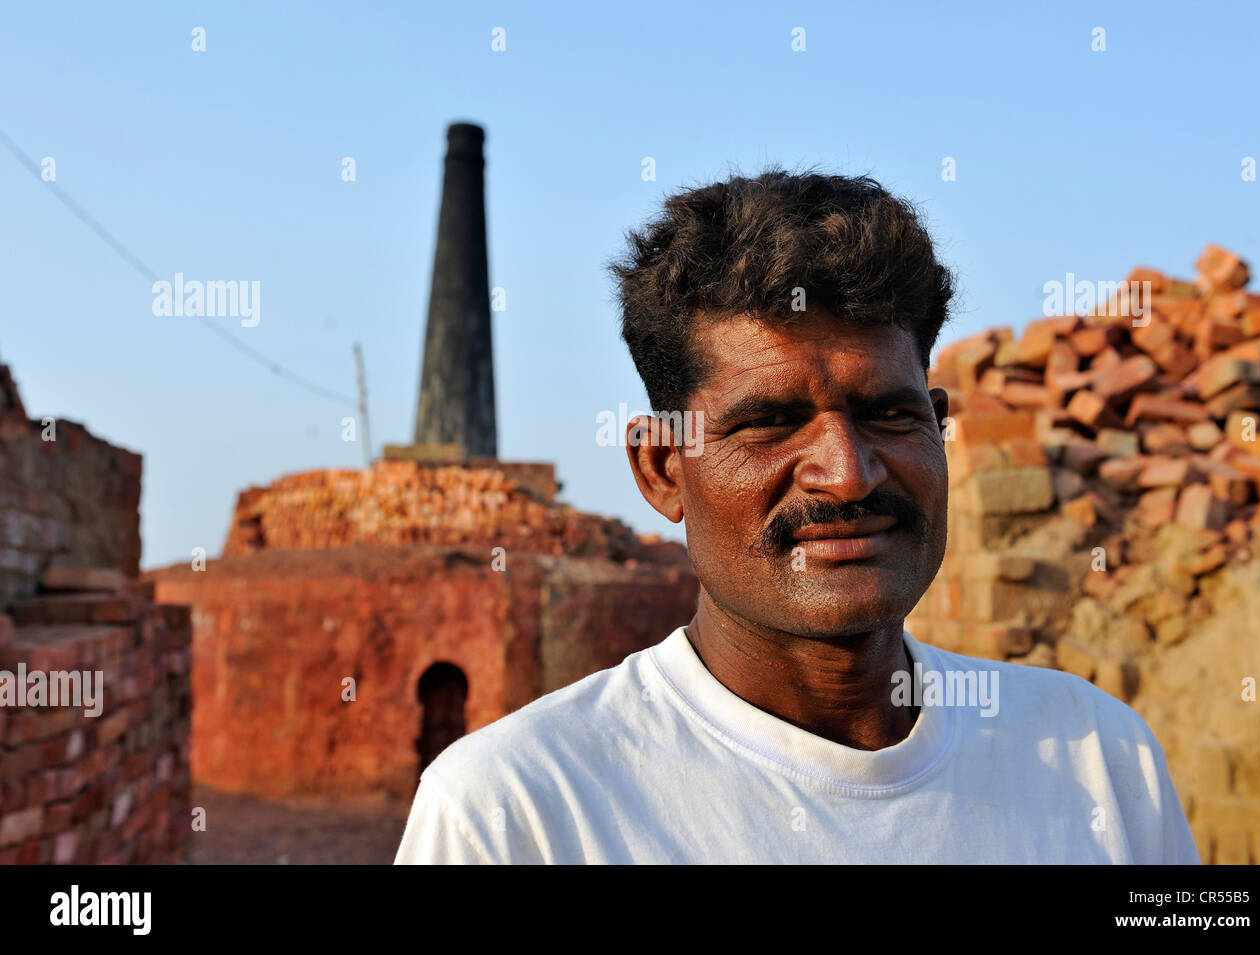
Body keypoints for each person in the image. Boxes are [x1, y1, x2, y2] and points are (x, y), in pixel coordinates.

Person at [394, 167, 1201, 864]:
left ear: (938, 423)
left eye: (888, 413)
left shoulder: (1100, 758)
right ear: (662, 467)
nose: (847, 474)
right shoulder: (516, 814)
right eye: (771, 422)